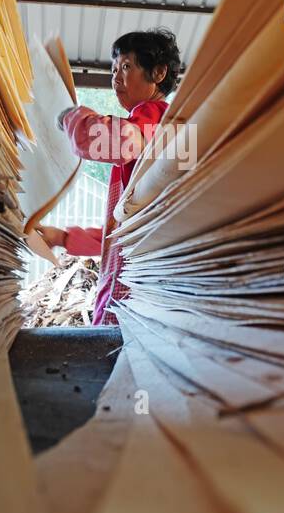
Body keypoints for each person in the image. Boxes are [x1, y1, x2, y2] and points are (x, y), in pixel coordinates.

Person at [34, 28, 182, 326]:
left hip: (133, 305)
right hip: (125, 300)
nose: (116, 78)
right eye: (114, 69)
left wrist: (70, 117)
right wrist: (64, 238)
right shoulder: (142, 139)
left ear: (158, 72)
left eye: (126, 67)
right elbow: (120, 234)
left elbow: (112, 139)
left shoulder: (156, 117)